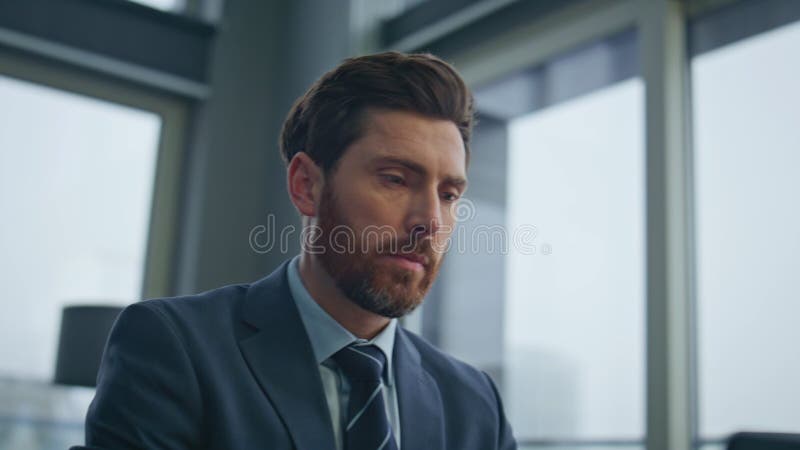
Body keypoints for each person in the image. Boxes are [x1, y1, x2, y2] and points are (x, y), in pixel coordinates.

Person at [79, 51, 517, 450]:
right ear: (306, 185)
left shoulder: (476, 405)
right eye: (395, 179)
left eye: (449, 194)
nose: (431, 221)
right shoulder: (174, 348)